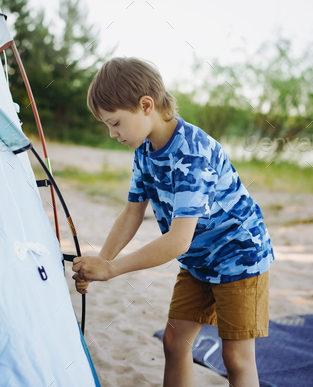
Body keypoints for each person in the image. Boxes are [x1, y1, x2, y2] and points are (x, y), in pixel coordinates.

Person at [72, 56, 274, 387]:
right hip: (198, 261)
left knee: (236, 359)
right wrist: (101, 262)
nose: (112, 134)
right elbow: (132, 212)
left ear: (146, 105)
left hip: (239, 257)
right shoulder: (144, 150)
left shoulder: (192, 154)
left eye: (116, 122)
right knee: (174, 342)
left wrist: (113, 269)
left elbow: (178, 240)